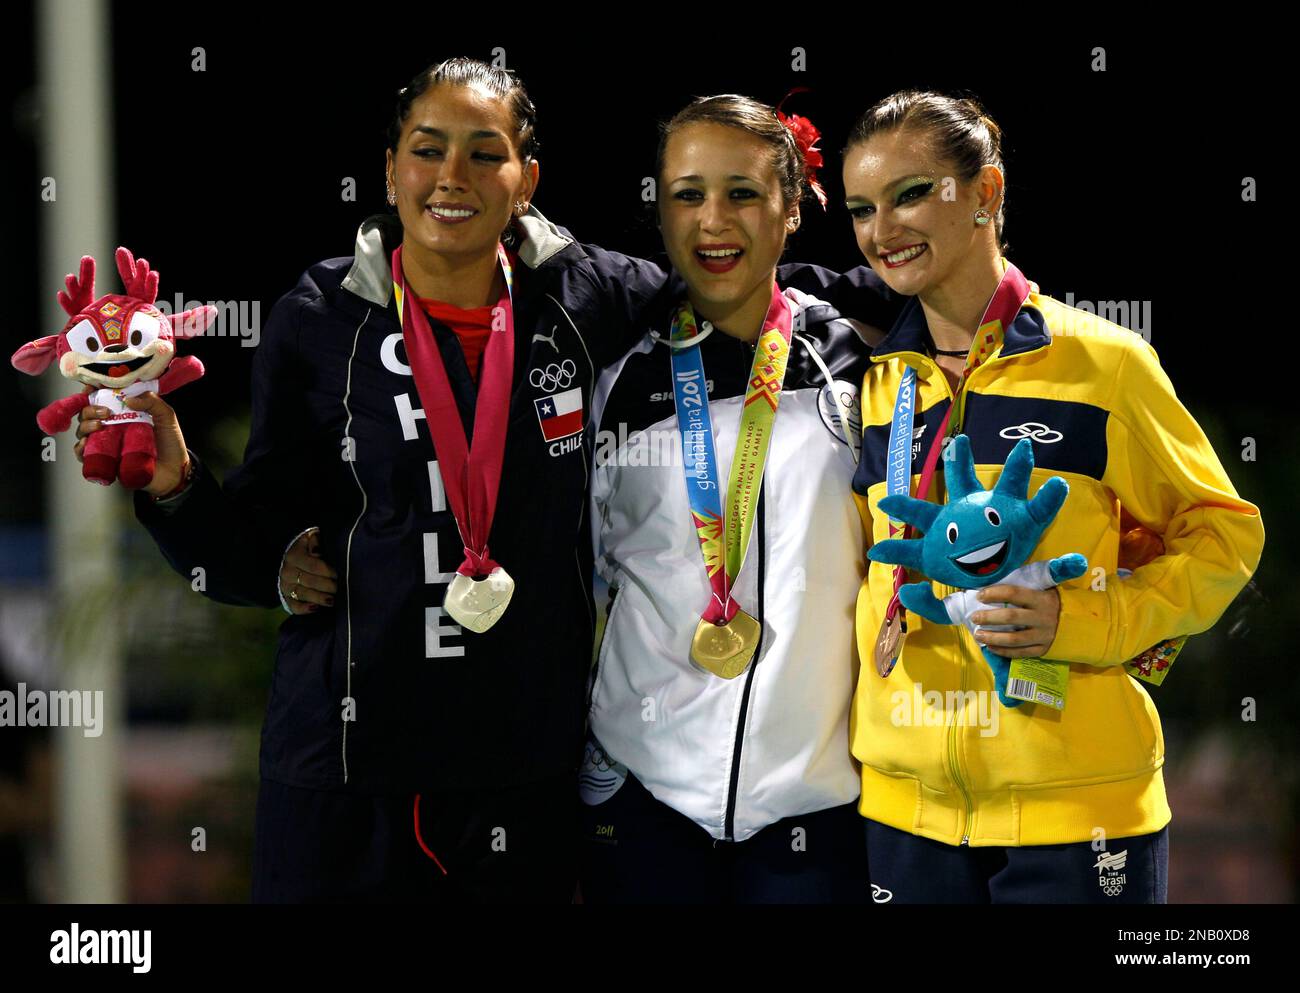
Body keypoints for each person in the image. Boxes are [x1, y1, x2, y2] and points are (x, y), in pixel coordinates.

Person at [74, 60, 890, 903]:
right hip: (346, 778)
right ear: (390, 170)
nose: (451, 178)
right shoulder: (320, 316)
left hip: (523, 782)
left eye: (483, 152)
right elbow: (252, 541)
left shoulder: (590, 296)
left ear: (525, 179)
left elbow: (741, 288)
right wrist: (177, 486)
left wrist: (940, 290)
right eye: (427, 151)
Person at [841, 90, 1265, 903]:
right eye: (862, 208)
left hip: (1082, 816)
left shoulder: (1106, 363)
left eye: (911, 194)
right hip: (903, 811)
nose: (881, 230)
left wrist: (1088, 623)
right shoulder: (877, 380)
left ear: (987, 194)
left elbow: (1224, 535)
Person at [579, 95, 894, 903]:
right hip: (642, 799)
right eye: (687, 193)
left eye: (743, 193)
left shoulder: (857, 358)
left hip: (816, 805)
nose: (712, 220)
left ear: (794, 208)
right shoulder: (612, 372)